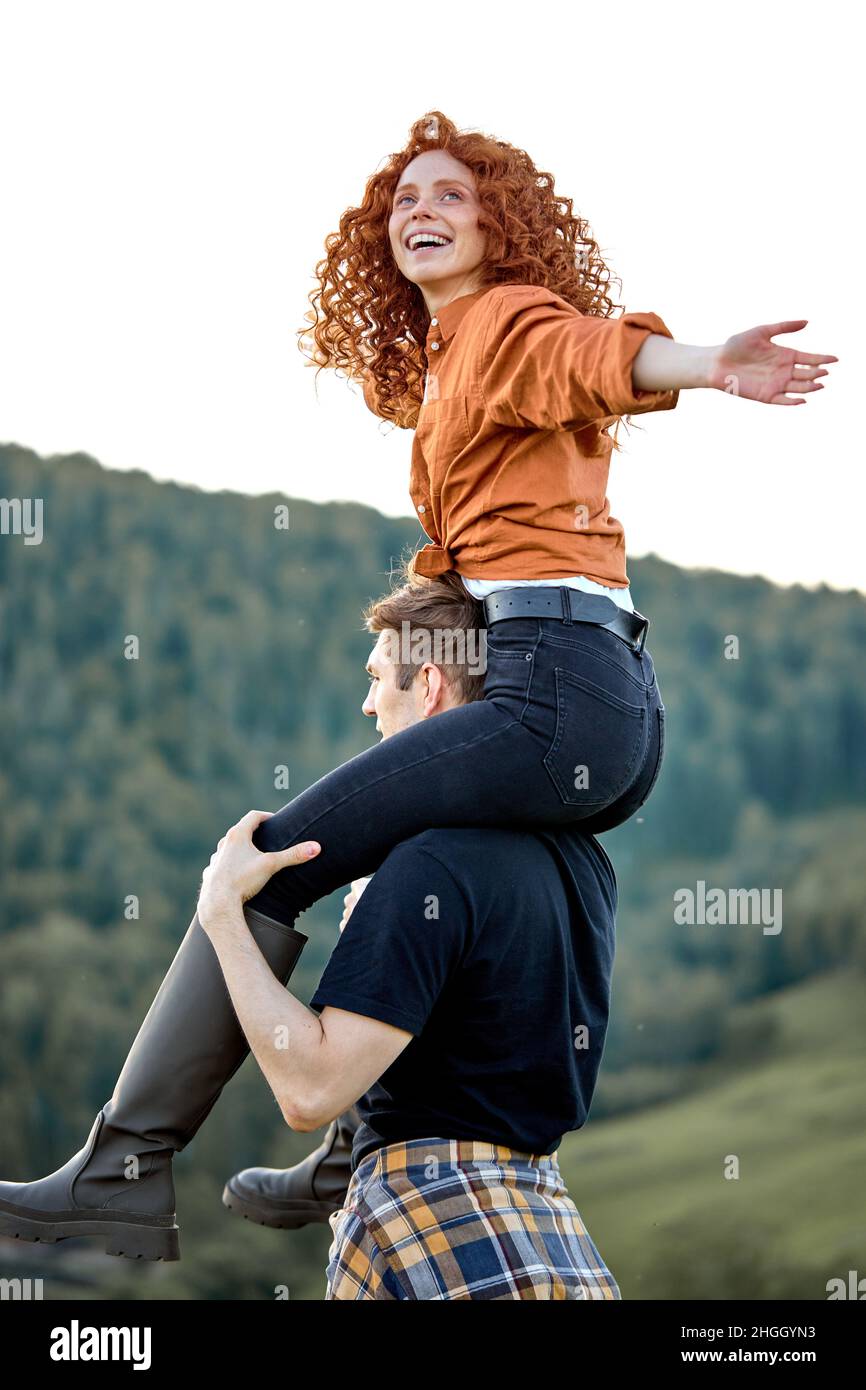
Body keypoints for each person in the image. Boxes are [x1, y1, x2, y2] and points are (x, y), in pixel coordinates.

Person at [0, 109, 837, 1259]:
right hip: (609, 703)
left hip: (550, 692)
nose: (419, 212)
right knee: (444, 862)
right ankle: (353, 1149)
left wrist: (698, 364)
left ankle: (122, 1166)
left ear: (502, 227)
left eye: (450, 195)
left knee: (263, 867)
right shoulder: (451, 386)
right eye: (402, 202)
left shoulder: (504, 323)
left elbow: (585, 354)